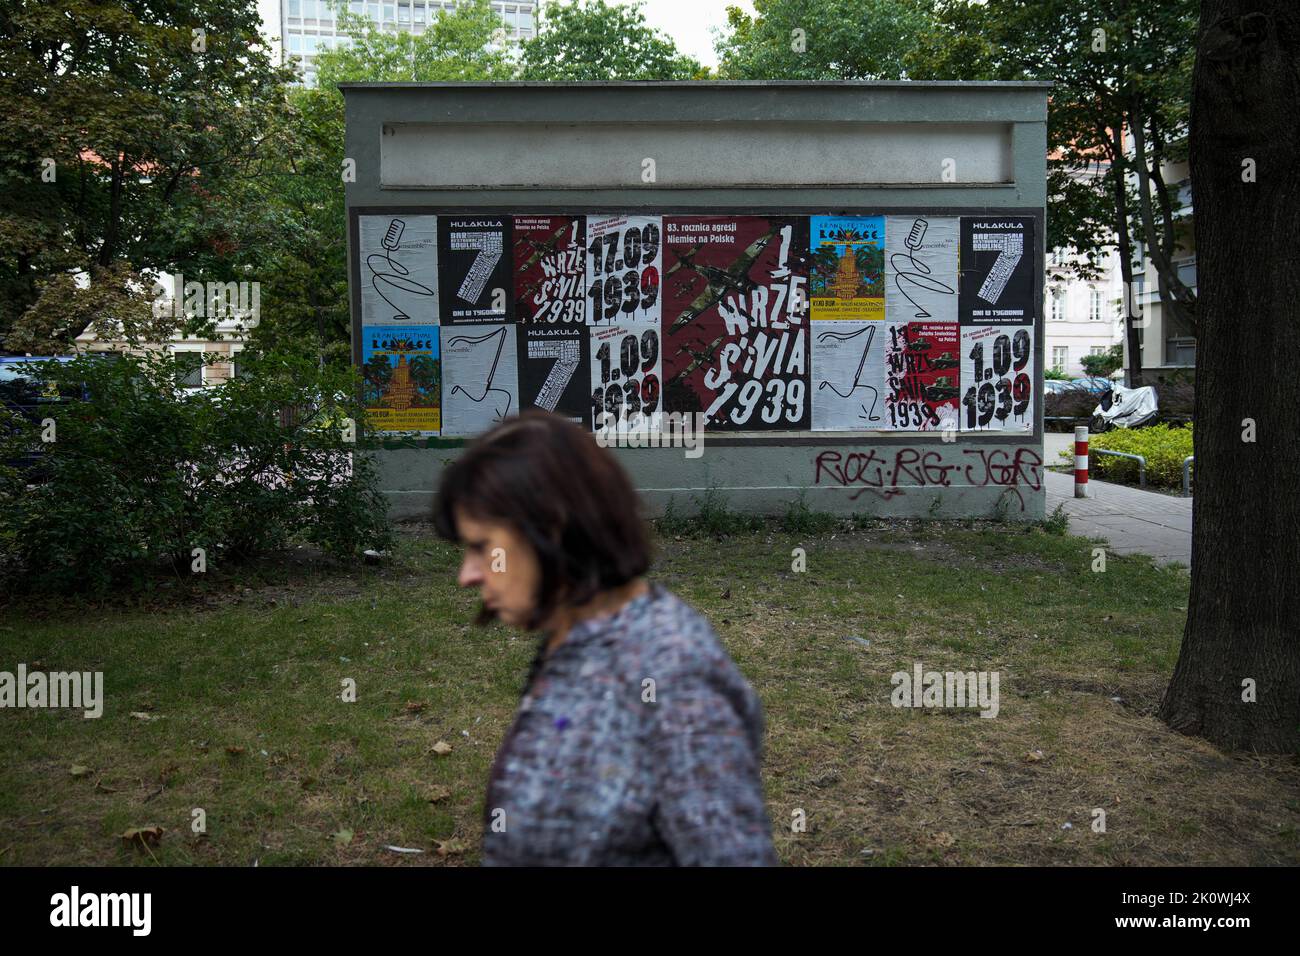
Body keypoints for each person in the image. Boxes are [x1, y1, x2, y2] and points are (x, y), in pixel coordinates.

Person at [433, 411, 778, 866]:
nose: (467, 576)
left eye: (481, 548)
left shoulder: (673, 676)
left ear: (550, 528)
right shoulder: (575, 638)